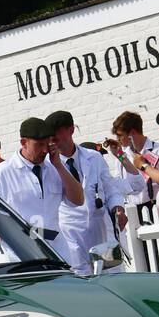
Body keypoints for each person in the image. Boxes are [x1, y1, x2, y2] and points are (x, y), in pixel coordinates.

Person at [0, 117, 85, 259]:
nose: (45, 150)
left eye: (47, 144)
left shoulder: (54, 167)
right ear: (23, 143)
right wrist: (10, 234)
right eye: (39, 145)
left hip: (58, 250)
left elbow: (78, 200)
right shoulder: (3, 172)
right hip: (24, 252)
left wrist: (58, 165)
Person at [45, 109, 127, 274]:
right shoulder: (48, 166)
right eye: (50, 136)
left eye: (57, 133)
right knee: (83, 282)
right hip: (71, 234)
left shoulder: (94, 157)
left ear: (71, 130)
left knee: (112, 278)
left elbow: (110, 188)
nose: (53, 140)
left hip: (101, 231)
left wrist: (118, 207)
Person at [109, 111, 159, 218]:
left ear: (132, 133)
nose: (117, 139)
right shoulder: (122, 155)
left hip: (156, 206)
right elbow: (120, 183)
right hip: (133, 209)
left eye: (120, 135)